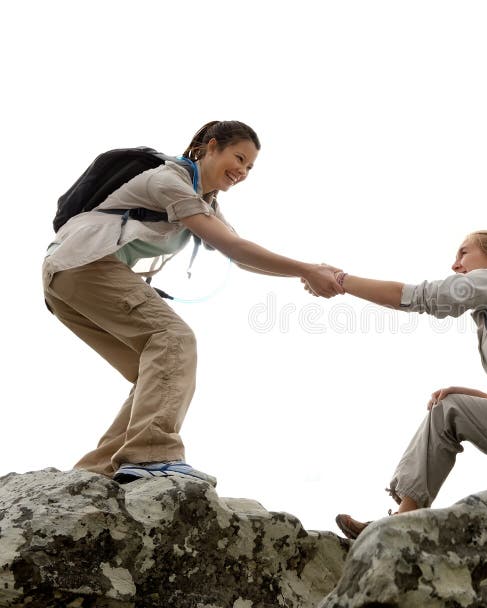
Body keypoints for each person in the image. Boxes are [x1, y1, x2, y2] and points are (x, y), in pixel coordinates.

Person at [43, 120, 342, 486]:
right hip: (83, 266)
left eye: (250, 167)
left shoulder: (203, 201)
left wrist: (305, 271)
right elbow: (234, 247)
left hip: (67, 275)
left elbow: (240, 255)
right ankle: (151, 455)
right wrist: (306, 269)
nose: (243, 171)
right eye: (239, 157)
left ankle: (100, 472)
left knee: (155, 370)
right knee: (174, 339)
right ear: (211, 147)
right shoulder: (169, 182)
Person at [308, 230, 487, 539]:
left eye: (463, 253)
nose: (455, 265)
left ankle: (399, 529)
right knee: (448, 409)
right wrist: (466, 394)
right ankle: (402, 521)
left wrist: (340, 280)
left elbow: (419, 297)